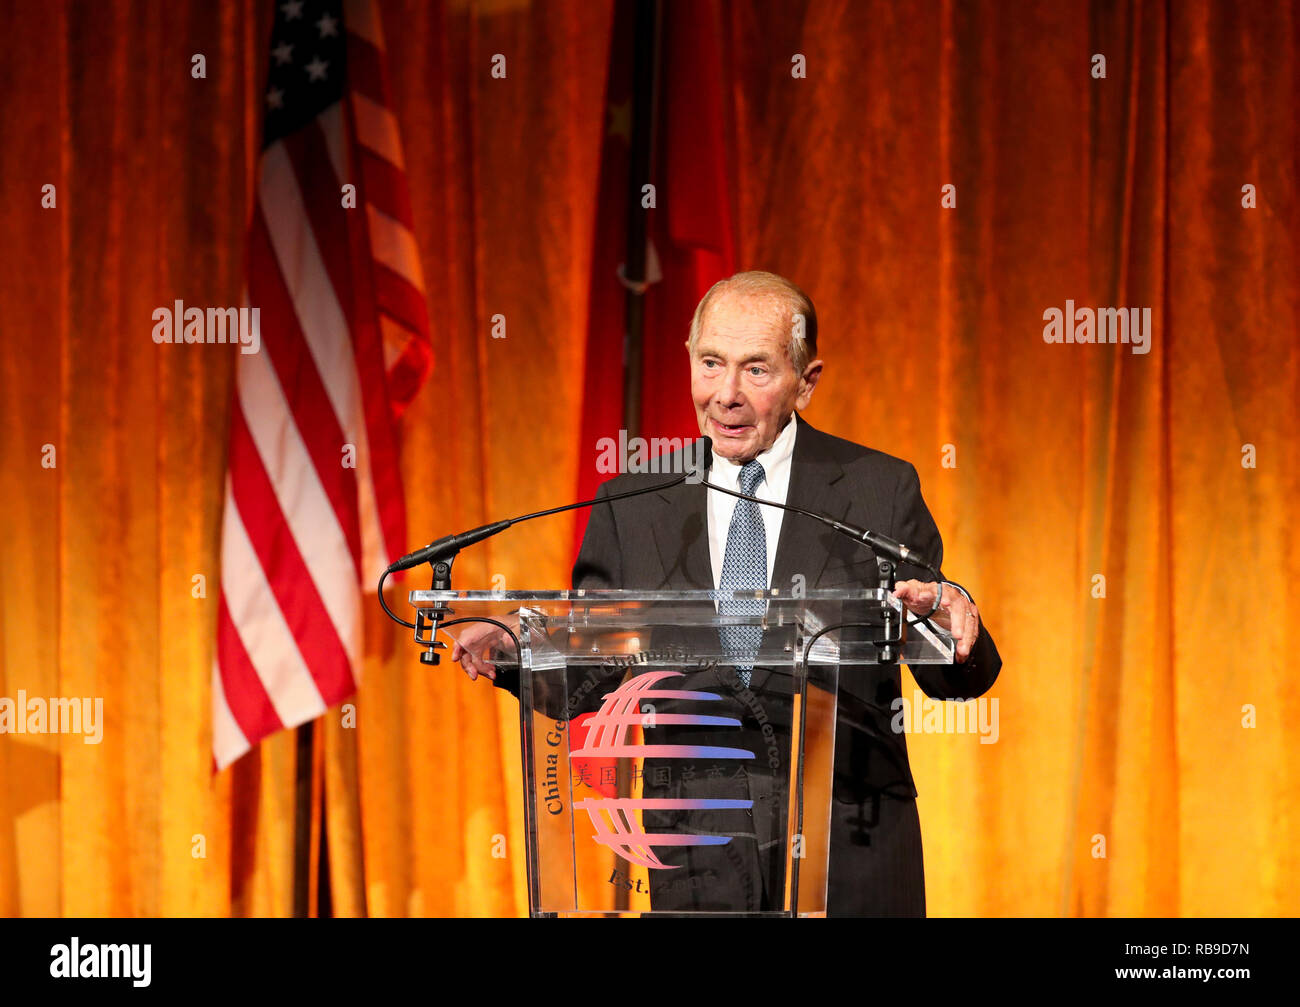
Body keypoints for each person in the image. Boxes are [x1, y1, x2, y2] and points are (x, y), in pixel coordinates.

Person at [451, 270, 1001, 916]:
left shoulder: (879, 491)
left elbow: (953, 675)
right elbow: (590, 673)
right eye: (711, 363)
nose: (726, 395)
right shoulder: (635, 505)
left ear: (807, 380)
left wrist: (954, 624)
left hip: (850, 861)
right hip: (697, 867)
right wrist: (518, 647)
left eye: (757, 370)